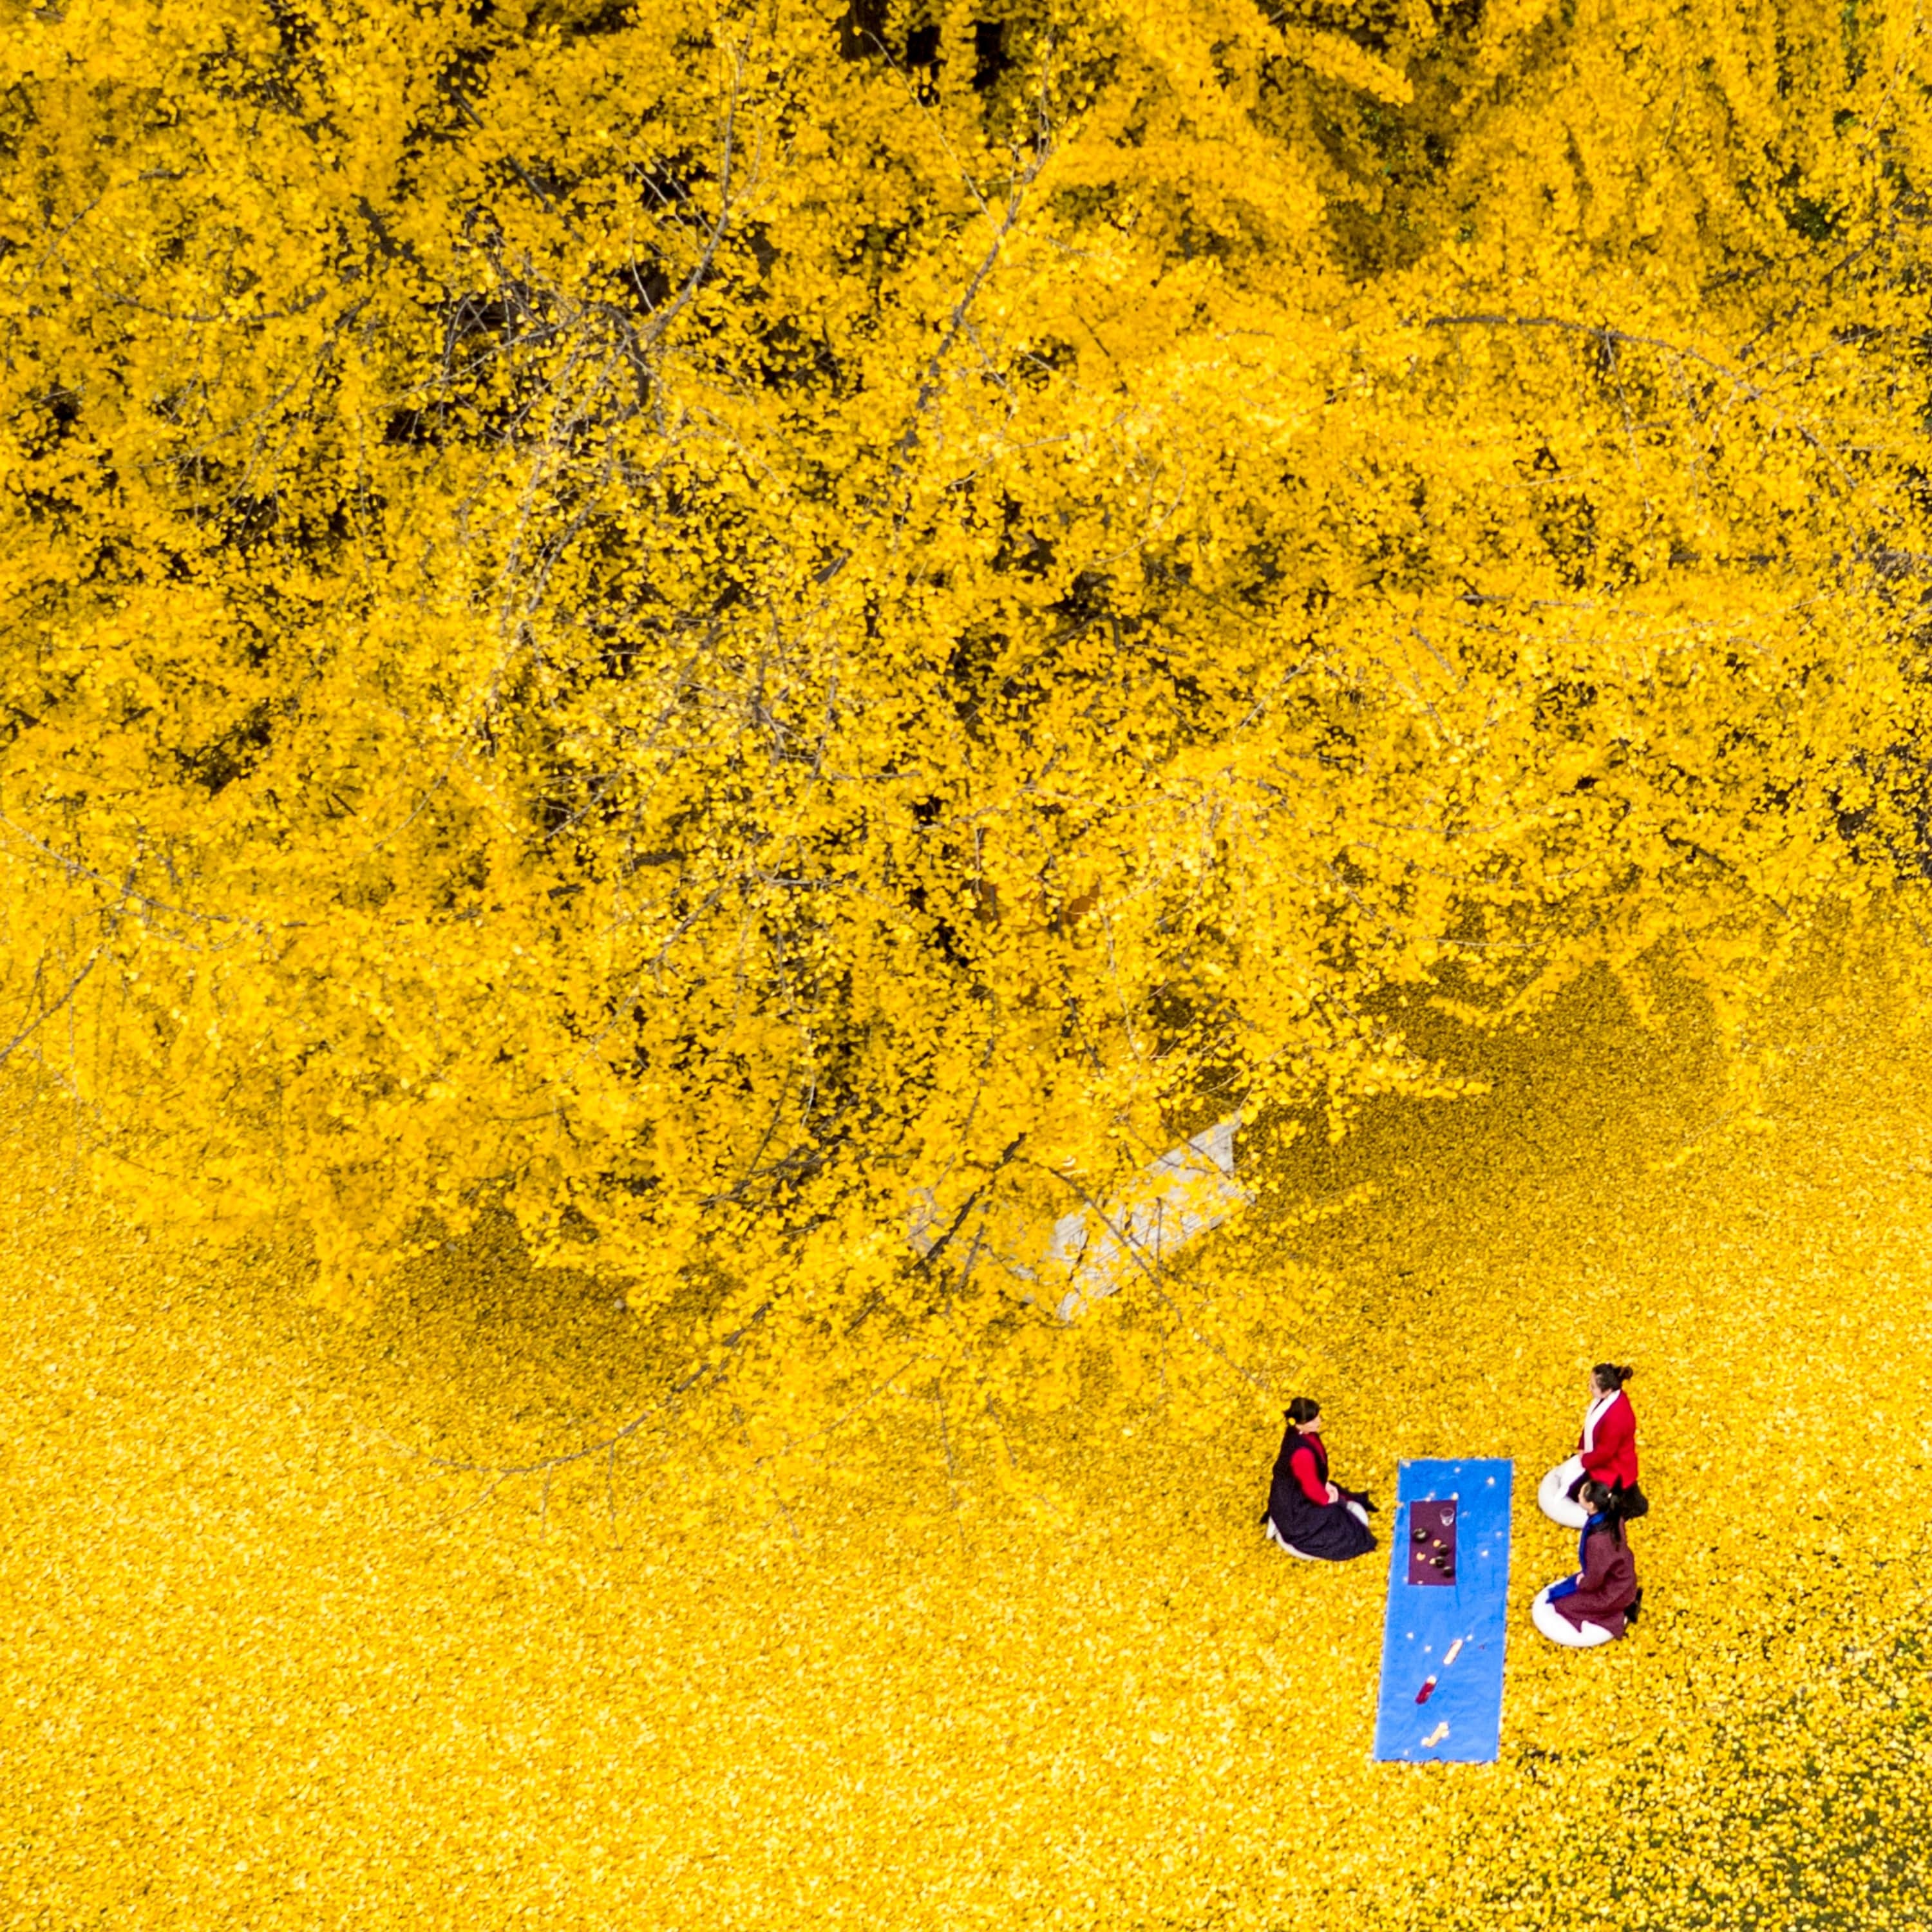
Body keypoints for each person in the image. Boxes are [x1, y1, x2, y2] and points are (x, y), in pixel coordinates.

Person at [1262, 1397, 1377, 1561]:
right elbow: (1311, 1487)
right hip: (1296, 1507)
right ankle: (1279, 1526)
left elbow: (1312, 1476)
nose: (1319, 1421)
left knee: (1341, 1505)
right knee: (1341, 1527)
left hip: (1296, 1493)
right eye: (1312, 1419)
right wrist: (1327, 1500)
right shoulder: (1301, 1452)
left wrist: (1326, 1484)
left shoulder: (1302, 1435)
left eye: (1317, 1416)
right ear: (1298, 1424)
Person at [1530, 1478, 1642, 1646]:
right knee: (1565, 1589)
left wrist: (1584, 1583)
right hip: (1621, 1577)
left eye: (1581, 1496)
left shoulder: (1598, 1542)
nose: (1578, 1496)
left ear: (1591, 1505)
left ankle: (1619, 1612)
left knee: (1563, 1603)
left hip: (1613, 1590)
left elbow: (1595, 1578)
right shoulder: (1613, 1518)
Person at [1537, 1362, 1645, 1530]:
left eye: (1593, 1386)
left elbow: (1606, 1452)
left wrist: (1586, 1460)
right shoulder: (1608, 1402)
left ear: (1607, 1390)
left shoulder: (1617, 1417)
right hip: (1600, 1458)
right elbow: (1590, 1427)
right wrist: (1582, 1447)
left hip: (1613, 1467)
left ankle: (1623, 1505)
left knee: (1576, 1492)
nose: (1589, 1388)